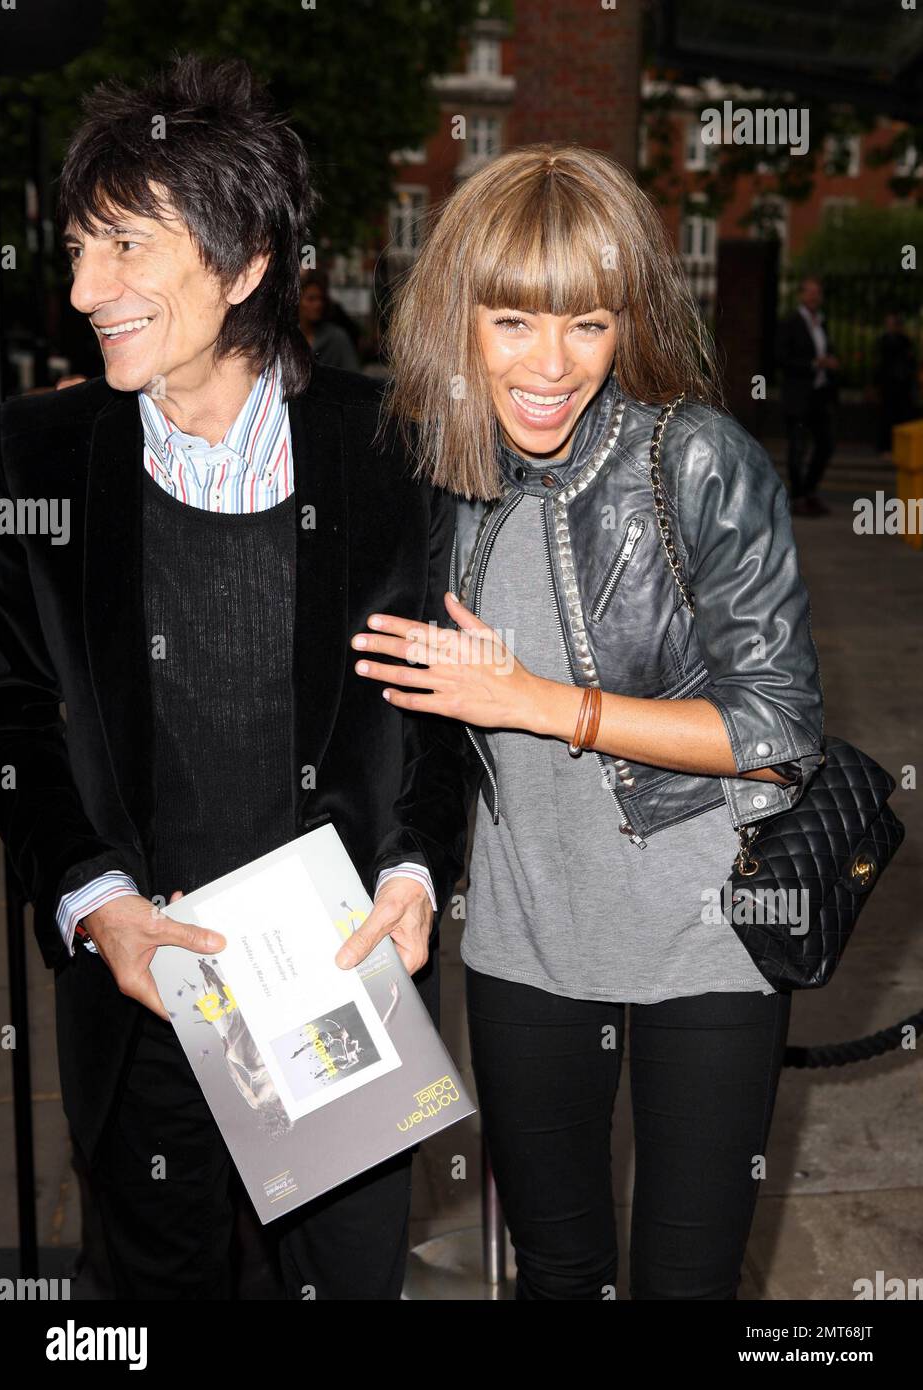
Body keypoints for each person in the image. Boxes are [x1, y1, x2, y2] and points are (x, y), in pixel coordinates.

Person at [0, 55, 469, 1300]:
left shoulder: (392, 454)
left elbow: (438, 712)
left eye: (126, 250)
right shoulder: (36, 459)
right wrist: (96, 901)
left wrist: (417, 872)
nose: (86, 287)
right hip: (149, 994)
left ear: (246, 260)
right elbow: (13, 721)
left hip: (337, 994)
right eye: (80, 250)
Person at [349, 144, 825, 1300]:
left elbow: (780, 727)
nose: (549, 367)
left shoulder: (698, 459)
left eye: (588, 325)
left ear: (629, 321)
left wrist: (544, 705)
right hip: (522, 941)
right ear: (460, 313)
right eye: (512, 322)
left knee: (686, 1281)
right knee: (555, 1272)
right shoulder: (439, 470)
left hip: (704, 937)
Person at [775, 275, 839, 516]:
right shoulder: (790, 323)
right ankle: (799, 497)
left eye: (818, 292)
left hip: (819, 395)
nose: (814, 296)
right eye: (810, 292)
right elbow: (781, 358)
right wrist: (814, 363)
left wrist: (831, 361)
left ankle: (810, 491)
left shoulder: (821, 322)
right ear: (801, 295)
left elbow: (826, 349)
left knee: (826, 445)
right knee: (798, 448)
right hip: (797, 396)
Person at [299, 270, 361, 370]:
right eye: (311, 299)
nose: (317, 305)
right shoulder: (287, 338)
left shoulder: (337, 338)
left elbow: (353, 374)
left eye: (321, 299)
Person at [874, 311, 917, 455]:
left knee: (901, 417)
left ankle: (899, 448)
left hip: (901, 386)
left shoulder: (904, 341)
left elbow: (910, 362)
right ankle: (886, 447)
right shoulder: (884, 340)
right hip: (889, 385)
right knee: (887, 417)